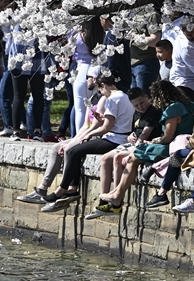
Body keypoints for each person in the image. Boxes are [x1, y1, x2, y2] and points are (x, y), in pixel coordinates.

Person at [39, 75, 143, 211]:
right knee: (75, 151)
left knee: (72, 151)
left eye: (100, 91)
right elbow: (115, 121)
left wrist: (89, 134)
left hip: (114, 139)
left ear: (104, 85)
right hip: (119, 136)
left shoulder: (112, 99)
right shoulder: (123, 96)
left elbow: (106, 128)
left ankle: (63, 189)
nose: (101, 94)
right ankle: (71, 189)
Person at [94, 80, 194, 214]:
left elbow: (167, 137)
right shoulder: (188, 104)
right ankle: (117, 194)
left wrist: (152, 142)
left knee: (133, 157)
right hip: (179, 144)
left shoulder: (173, 108)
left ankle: (117, 195)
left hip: (172, 146)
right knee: (132, 158)